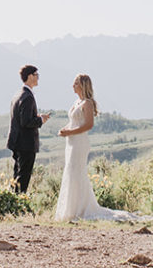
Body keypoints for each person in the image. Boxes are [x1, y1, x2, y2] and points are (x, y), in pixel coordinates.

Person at [54, 73, 144, 221]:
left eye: (75, 83)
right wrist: (64, 130)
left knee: (77, 172)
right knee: (71, 171)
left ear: (82, 85)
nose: (73, 86)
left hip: (79, 142)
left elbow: (88, 125)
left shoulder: (87, 103)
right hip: (70, 142)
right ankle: (71, 208)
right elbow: (74, 121)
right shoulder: (77, 102)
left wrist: (69, 132)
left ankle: (80, 208)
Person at [7, 64, 52, 193]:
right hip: (26, 144)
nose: (38, 78)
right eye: (37, 75)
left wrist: (37, 117)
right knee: (23, 176)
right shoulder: (27, 97)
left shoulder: (18, 94)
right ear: (30, 76)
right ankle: (19, 204)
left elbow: (22, 117)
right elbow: (25, 122)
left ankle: (13, 202)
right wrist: (41, 120)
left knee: (17, 175)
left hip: (17, 142)